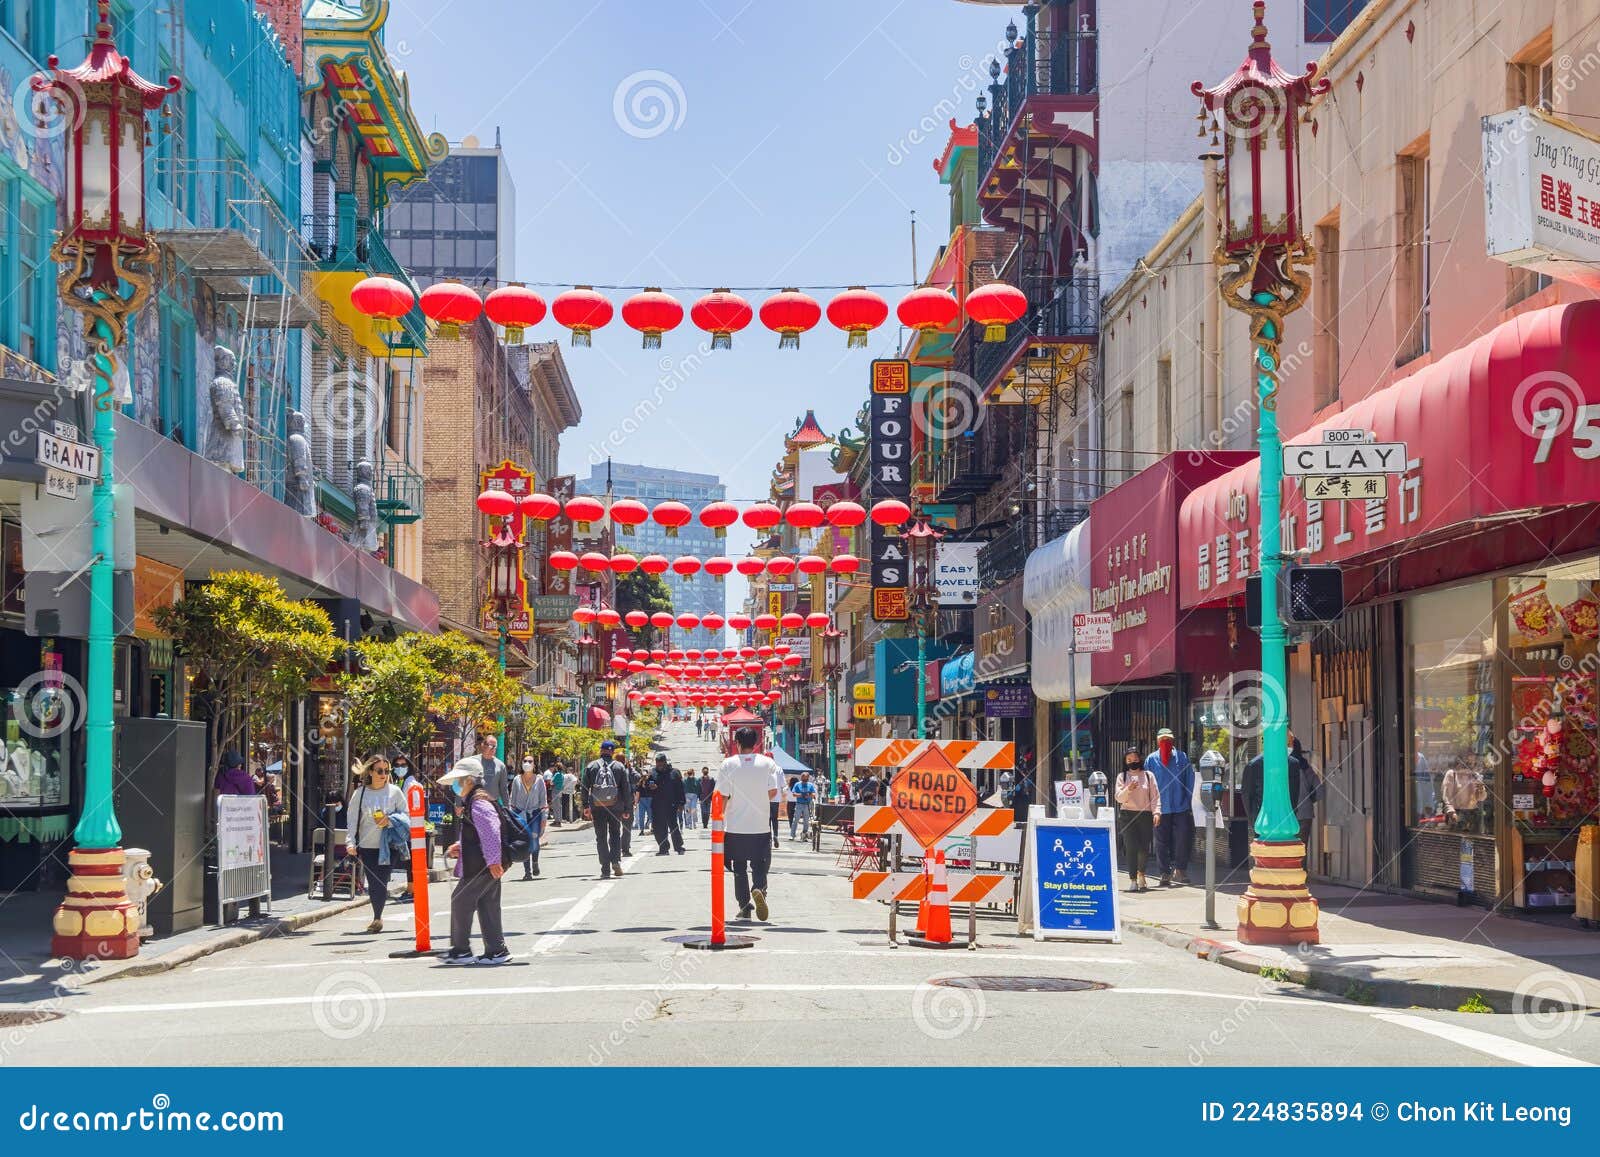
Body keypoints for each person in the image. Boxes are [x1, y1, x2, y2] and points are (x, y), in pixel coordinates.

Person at [437, 758, 510, 965]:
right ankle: (497, 950)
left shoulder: (477, 802)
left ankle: (461, 950)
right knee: (487, 904)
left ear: (469, 780)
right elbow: (481, 834)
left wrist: (494, 860)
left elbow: (491, 831)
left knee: (460, 900)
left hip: (481, 865)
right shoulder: (479, 800)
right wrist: (460, 846)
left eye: (459, 780)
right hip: (485, 864)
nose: (455, 785)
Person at [717, 727, 779, 921]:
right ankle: (759, 888)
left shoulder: (728, 764)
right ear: (756, 743)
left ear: (737, 742)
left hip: (735, 826)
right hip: (760, 825)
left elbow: (723, 796)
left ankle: (744, 907)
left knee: (739, 868)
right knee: (760, 864)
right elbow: (772, 792)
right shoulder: (768, 763)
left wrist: (719, 822)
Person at [347, 754, 408, 934]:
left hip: (390, 845)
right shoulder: (360, 793)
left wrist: (389, 821)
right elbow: (351, 821)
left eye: (387, 771)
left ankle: (377, 917)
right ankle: (377, 916)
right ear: (371, 772)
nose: (384, 774)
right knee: (375, 883)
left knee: (380, 880)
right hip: (368, 846)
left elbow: (406, 815)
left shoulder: (395, 791)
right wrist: (350, 842)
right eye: (380, 771)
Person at [1146, 727, 1195, 886]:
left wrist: (1188, 802)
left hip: (1181, 806)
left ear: (1172, 741)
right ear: (1158, 741)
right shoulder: (1151, 760)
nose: (1165, 742)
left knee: (1182, 838)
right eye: (1162, 740)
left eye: (1168, 739)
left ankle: (1180, 869)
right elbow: (1148, 784)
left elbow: (1190, 780)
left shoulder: (1182, 757)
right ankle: (1164, 872)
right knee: (1161, 841)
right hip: (1160, 808)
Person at [1241, 733, 1306, 843]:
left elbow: (1247, 796)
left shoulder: (1292, 764)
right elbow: (1247, 796)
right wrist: (1255, 820)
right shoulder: (1254, 765)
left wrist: (1254, 820)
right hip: (1268, 821)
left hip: (1276, 821)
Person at [583, 740, 633, 879]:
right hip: (615, 806)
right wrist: (627, 808)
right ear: (612, 752)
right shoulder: (619, 767)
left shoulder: (591, 766)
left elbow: (585, 787)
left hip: (597, 806)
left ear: (601, 750)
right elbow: (626, 788)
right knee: (615, 834)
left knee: (601, 837)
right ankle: (615, 861)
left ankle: (605, 868)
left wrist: (585, 805)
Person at [1114, 747, 1161, 892]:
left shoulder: (1148, 775)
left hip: (1145, 815)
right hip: (1127, 815)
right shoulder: (1122, 776)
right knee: (1131, 848)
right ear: (1125, 761)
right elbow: (1119, 798)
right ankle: (1133, 879)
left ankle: (1142, 874)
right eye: (1129, 760)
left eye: (1135, 759)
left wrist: (1157, 812)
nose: (1132, 761)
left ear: (1140, 759)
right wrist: (1129, 789)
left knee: (1143, 848)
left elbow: (1155, 796)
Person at [508, 756, 548, 879]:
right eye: (525, 761)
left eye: (530, 761)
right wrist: (512, 818)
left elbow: (543, 800)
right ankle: (527, 872)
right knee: (525, 842)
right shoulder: (516, 780)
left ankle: (535, 862)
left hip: (535, 814)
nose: (527, 763)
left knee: (534, 841)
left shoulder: (539, 780)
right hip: (520, 815)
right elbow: (512, 801)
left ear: (534, 764)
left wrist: (544, 818)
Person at [649, 754, 687, 855]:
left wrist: (681, 803)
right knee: (658, 828)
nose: (659, 764)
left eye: (661, 762)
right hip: (657, 805)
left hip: (671, 804)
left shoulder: (674, 773)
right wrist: (650, 787)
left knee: (673, 825)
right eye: (657, 762)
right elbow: (647, 787)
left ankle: (679, 847)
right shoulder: (652, 773)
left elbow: (680, 789)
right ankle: (663, 848)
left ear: (665, 762)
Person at [461, 733, 508, 805]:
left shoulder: (501, 766)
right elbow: (461, 783)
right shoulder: (472, 761)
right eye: (489, 745)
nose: (491, 748)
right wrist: (458, 803)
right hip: (474, 804)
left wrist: (507, 807)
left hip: (492, 806)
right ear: (483, 745)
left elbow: (503, 789)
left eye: (494, 746)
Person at [789, 770, 817, 841]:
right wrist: (801, 795)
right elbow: (794, 794)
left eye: (806, 779)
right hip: (799, 804)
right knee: (795, 820)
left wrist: (809, 794)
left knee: (806, 821)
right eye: (803, 778)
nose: (805, 780)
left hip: (807, 804)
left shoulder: (810, 785)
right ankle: (792, 835)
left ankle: (804, 835)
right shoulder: (797, 784)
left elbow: (814, 794)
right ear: (801, 778)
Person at [635, 763, 654, 834]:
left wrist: (636, 803)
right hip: (648, 799)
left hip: (643, 800)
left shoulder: (639, 783)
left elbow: (637, 794)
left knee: (642, 815)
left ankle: (642, 830)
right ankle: (652, 828)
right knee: (650, 815)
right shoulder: (650, 782)